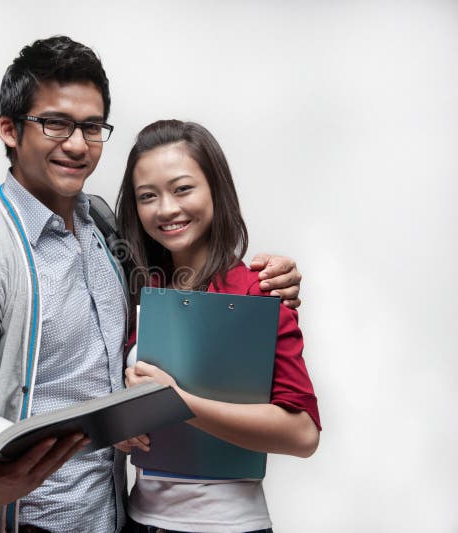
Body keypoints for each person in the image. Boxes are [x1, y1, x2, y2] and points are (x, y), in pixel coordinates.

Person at [0, 37, 303, 533]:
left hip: (117, 516)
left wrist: (270, 281)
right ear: (10, 130)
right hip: (32, 521)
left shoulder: (104, 225)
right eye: (55, 123)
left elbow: (189, 276)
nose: (77, 144)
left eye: (92, 126)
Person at [114, 120, 321, 533]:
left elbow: (303, 434)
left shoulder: (257, 291)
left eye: (182, 188)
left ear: (215, 189)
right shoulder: (141, 290)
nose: (167, 208)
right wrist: (125, 428)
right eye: (148, 196)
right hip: (139, 520)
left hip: (228, 527)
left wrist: (177, 403)